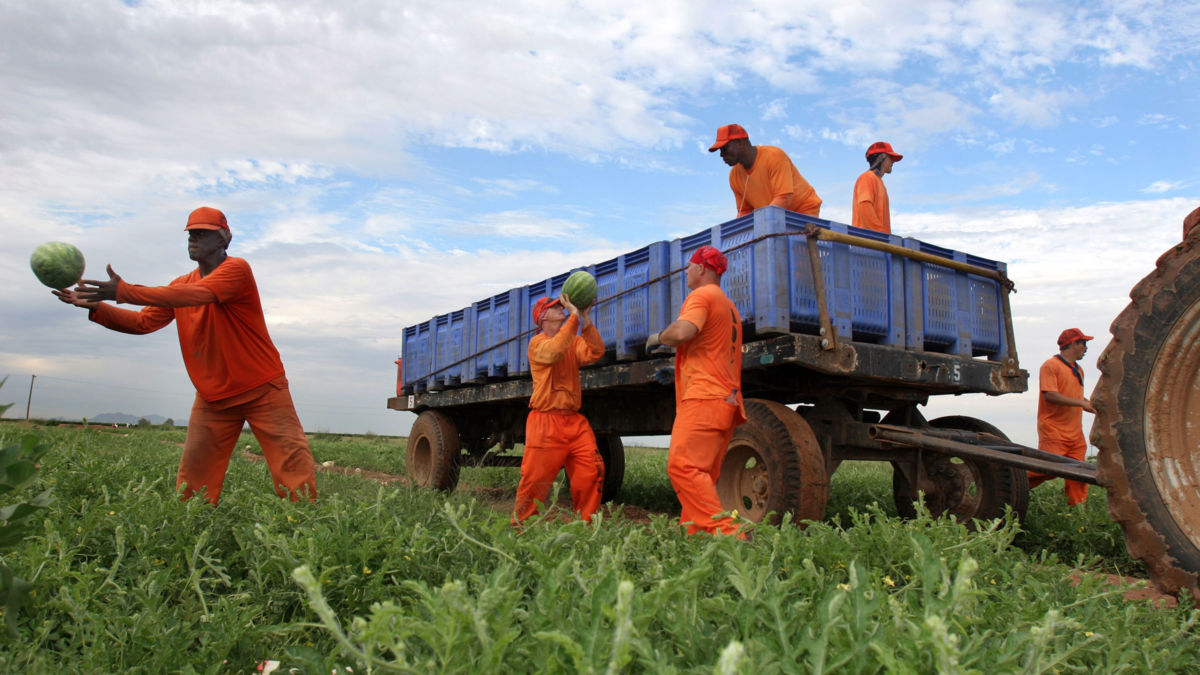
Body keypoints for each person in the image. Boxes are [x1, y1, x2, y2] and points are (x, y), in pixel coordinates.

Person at [53, 206, 317, 506]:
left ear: (224, 238)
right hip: (214, 396)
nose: (193, 239)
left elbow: (198, 295)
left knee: (292, 464)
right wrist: (95, 307)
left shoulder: (236, 270)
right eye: (191, 233)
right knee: (195, 475)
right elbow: (143, 323)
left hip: (263, 388)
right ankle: (192, 524)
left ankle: (304, 519)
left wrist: (124, 291)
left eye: (202, 233)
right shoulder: (180, 285)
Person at [645, 246, 746, 535]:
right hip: (725, 400)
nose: (686, 272)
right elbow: (710, 346)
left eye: (689, 267)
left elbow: (683, 332)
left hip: (705, 397)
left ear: (701, 269)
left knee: (682, 468)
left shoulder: (701, 295)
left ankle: (731, 537)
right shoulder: (728, 305)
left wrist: (659, 337)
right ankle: (693, 543)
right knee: (701, 476)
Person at [512, 292, 606, 525]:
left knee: (592, 472)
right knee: (535, 482)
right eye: (556, 308)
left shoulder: (572, 341)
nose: (562, 309)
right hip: (545, 422)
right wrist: (574, 317)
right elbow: (554, 351)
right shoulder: (537, 344)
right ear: (543, 317)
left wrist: (585, 319)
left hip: (574, 422)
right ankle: (521, 530)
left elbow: (596, 351)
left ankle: (586, 528)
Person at [1029, 328, 1096, 505]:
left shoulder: (1078, 369)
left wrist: (1092, 405)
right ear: (1072, 344)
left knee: (1078, 475)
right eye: (1083, 343)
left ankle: (1076, 513)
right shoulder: (1050, 366)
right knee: (1046, 470)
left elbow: (1074, 396)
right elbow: (1050, 395)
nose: (1085, 347)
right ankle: (1011, 483)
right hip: (1054, 432)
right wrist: (1081, 404)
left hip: (1075, 434)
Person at [709, 123, 822, 218]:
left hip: (802, 210)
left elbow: (784, 197)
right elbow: (744, 211)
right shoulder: (734, 176)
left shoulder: (774, 156)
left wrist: (764, 223)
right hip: (774, 216)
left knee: (800, 241)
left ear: (741, 143)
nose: (722, 155)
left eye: (725, 148)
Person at [852, 141, 902, 234]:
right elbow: (865, 208)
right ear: (881, 158)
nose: (893, 161)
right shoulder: (866, 178)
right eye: (890, 157)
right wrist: (882, 237)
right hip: (867, 243)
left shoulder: (880, 184)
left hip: (878, 243)